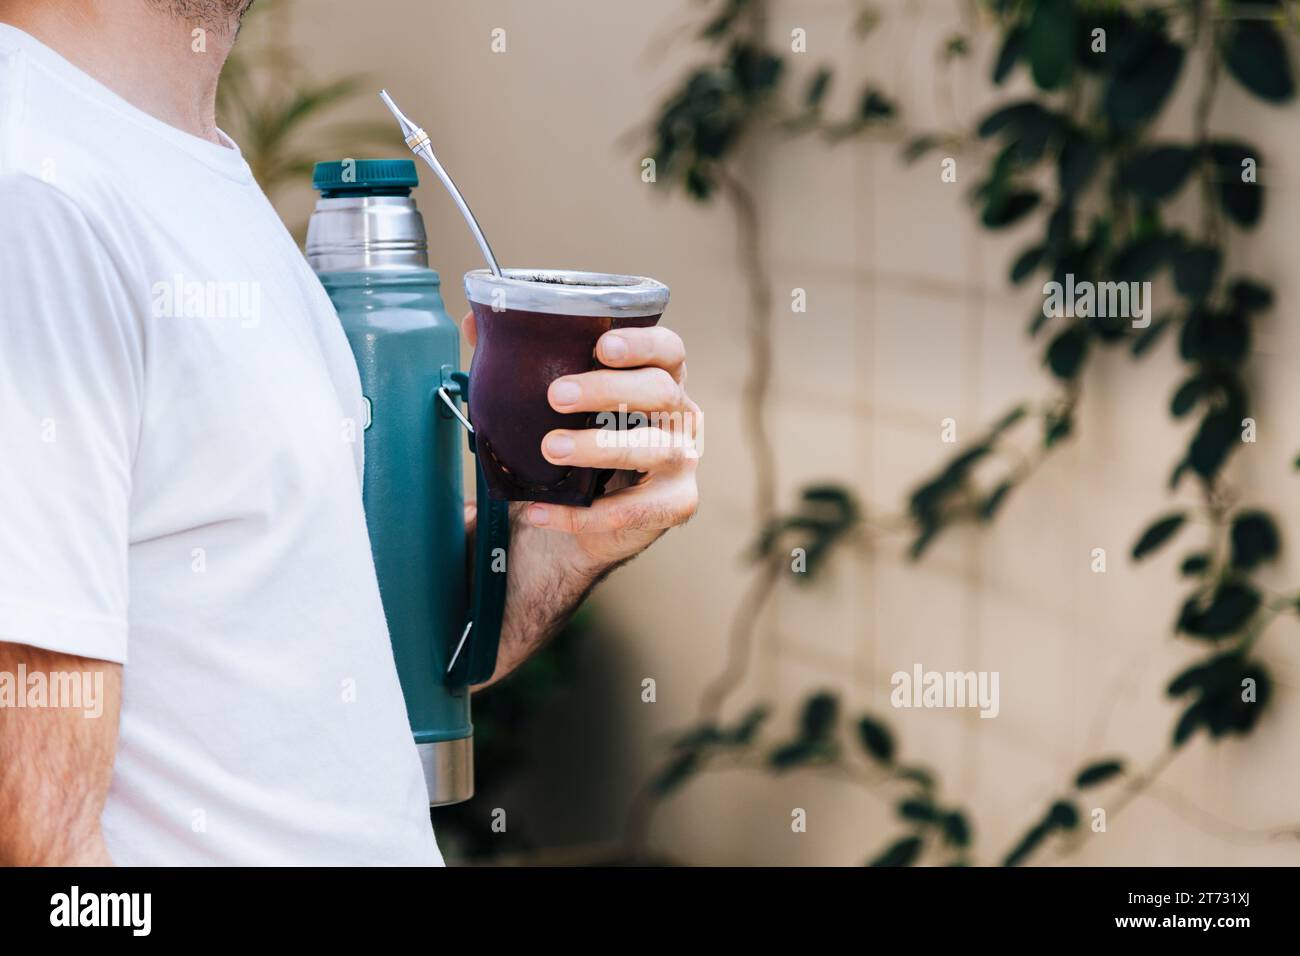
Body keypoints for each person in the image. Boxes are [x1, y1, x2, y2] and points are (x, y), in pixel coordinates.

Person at [0, 0, 701, 865]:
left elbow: (332, 671)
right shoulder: (36, 194)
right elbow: (38, 848)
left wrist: (563, 543)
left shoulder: (180, 162)